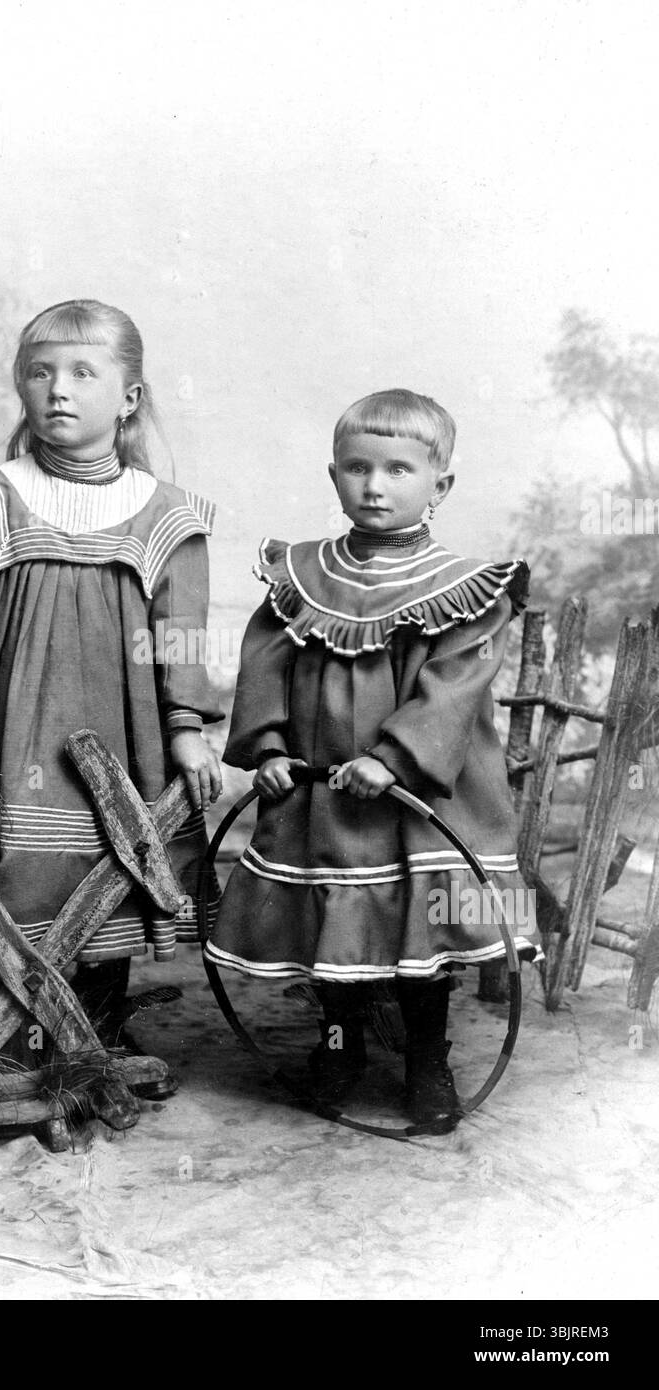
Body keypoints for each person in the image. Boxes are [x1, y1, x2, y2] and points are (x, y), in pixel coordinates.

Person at [0, 299, 223, 1093]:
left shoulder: (168, 517)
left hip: (126, 736)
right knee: (11, 869)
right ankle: (13, 1044)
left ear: (128, 398)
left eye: (83, 373)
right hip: (9, 731)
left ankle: (94, 1039)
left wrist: (189, 730)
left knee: (113, 863)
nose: (58, 389)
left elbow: (180, 636)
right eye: (40, 371)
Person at [204, 388, 540, 1132]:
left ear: (439, 485)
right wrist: (267, 748)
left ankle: (428, 1063)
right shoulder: (301, 577)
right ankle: (341, 1050)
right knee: (336, 932)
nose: (374, 485)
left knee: (422, 940)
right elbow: (265, 667)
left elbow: (456, 684)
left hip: (423, 801)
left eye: (396, 469)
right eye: (357, 468)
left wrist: (394, 758)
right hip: (322, 794)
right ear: (335, 478)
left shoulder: (462, 589)